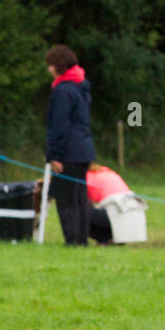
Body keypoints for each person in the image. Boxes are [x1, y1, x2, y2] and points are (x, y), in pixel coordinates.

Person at [44, 44, 95, 246]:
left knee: (66, 199)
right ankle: (81, 240)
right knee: (80, 199)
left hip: (69, 153)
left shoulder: (63, 91)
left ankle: (73, 241)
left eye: (50, 65)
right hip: (84, 150)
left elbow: (59, 125)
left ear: (58, 66)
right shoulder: (80, 88)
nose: (48, 69)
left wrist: (54, 155)